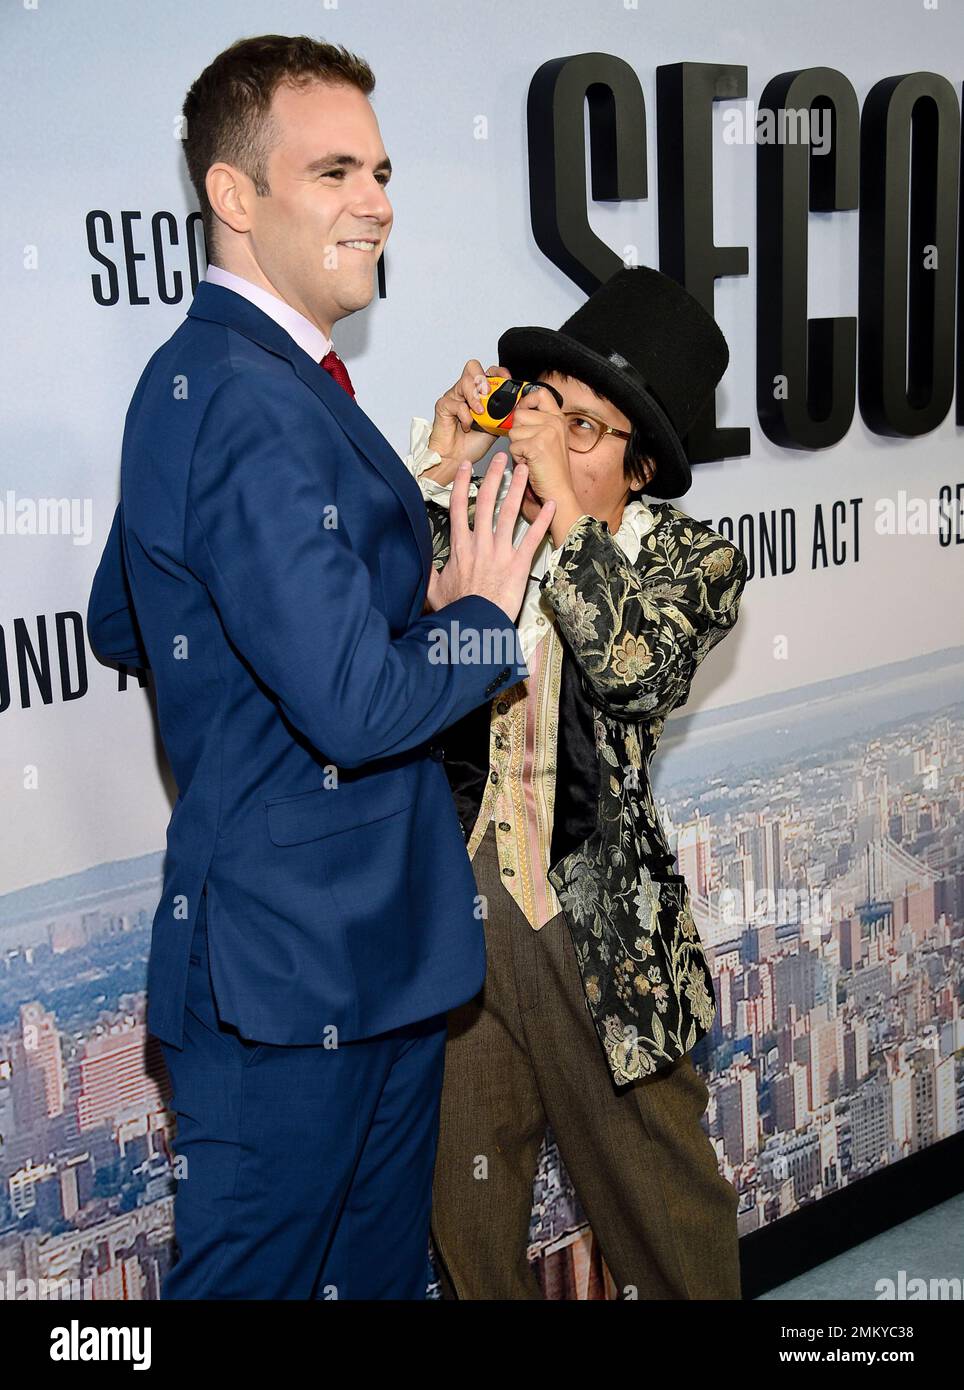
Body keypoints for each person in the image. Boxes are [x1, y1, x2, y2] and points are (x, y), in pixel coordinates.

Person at [85, 34, 554, 1300]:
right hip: (289, 985)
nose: (378, 203)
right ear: (233, 198)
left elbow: (127, 620)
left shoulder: (225, 381)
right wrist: (479, 613)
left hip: (352, 961)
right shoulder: (246, 397)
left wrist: (395, 589)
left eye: (384, 169)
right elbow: (348, 700)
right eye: (335, 170)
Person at [403, 265, 749, 1299]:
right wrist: (441, 470)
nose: (545, 439)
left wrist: (558, 512)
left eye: (584, 431)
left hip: (597, 938)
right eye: (541, 405)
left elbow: (634, 669)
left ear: (639, 470)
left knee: (667, 1224)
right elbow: (380, 623)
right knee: (467, 1232)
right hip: (458, 922)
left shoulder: (690, 559)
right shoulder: (477, 518)